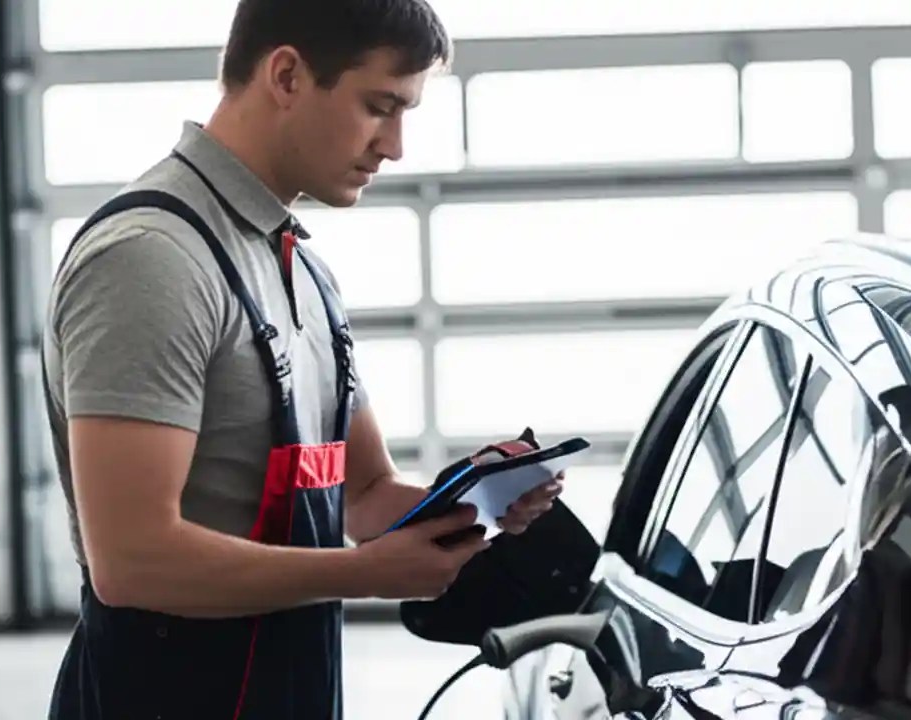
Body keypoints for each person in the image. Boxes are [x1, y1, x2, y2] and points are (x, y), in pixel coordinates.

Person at [42, 2, 563, 718]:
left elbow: (363, 495)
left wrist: (475, 505)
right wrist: (363, 574)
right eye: (380, 106)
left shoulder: (302, 272)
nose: (396, 146)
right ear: (286, 74)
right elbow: (132, 561)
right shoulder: (150, 261)